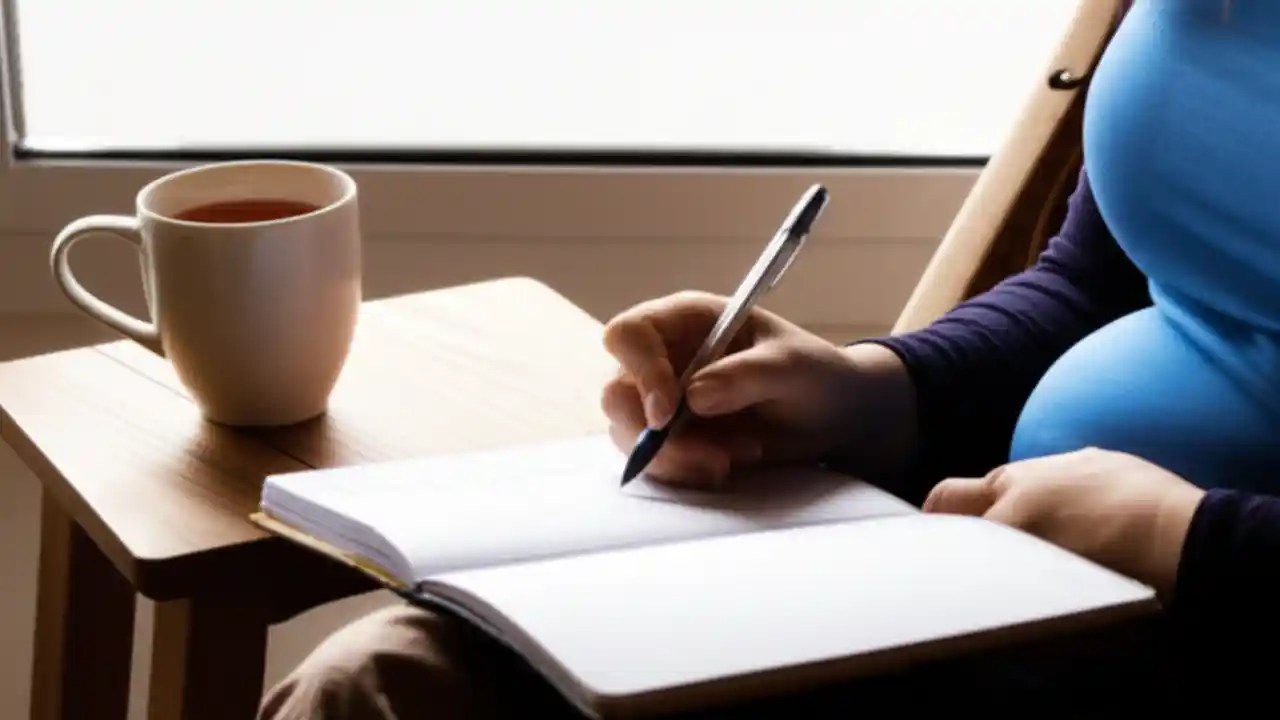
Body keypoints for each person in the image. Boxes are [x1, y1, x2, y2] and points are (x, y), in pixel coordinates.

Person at [258, 0, 1280, 716]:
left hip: (1192, 636)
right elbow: (1105, 281)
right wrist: (871, 390)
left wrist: (1185, 540)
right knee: (378, 685)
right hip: (1002, 582)